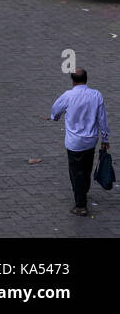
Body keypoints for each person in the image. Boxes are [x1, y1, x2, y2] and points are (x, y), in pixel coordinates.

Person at [50, 69, 110, 216]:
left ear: (73, 81)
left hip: (74, 143)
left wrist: (55, 117)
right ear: (86, 79)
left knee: (76, 173)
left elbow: (55, 109)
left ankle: (80, 205)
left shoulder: (68, 96)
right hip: (90, 141)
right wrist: (105, 139)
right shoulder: (96, 95)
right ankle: (83, 192)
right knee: (87, 168)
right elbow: (103, 119)